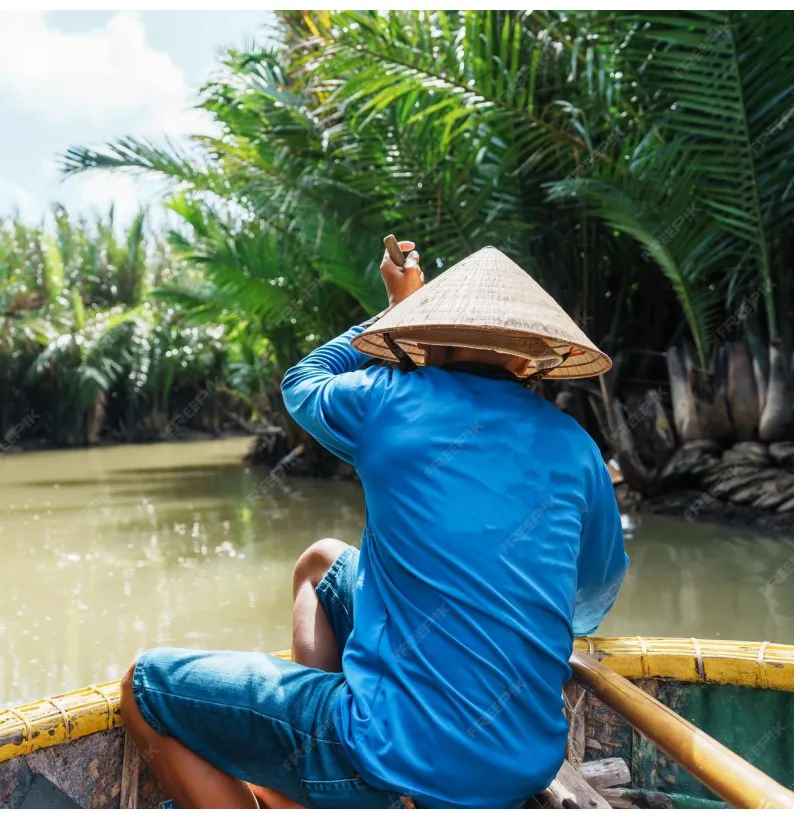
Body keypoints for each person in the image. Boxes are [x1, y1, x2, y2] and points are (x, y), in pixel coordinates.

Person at [118, 241, 629, 809]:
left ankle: (337, 770)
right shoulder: (577, 448)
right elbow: (590, 597)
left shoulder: (387, 402)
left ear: (429, 335)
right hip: (525, 764)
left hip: (396, 754)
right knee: (321, 562)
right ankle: (316, 778)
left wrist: (394, 309)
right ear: (529, 359)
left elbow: (303, 380)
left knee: (142, 685)